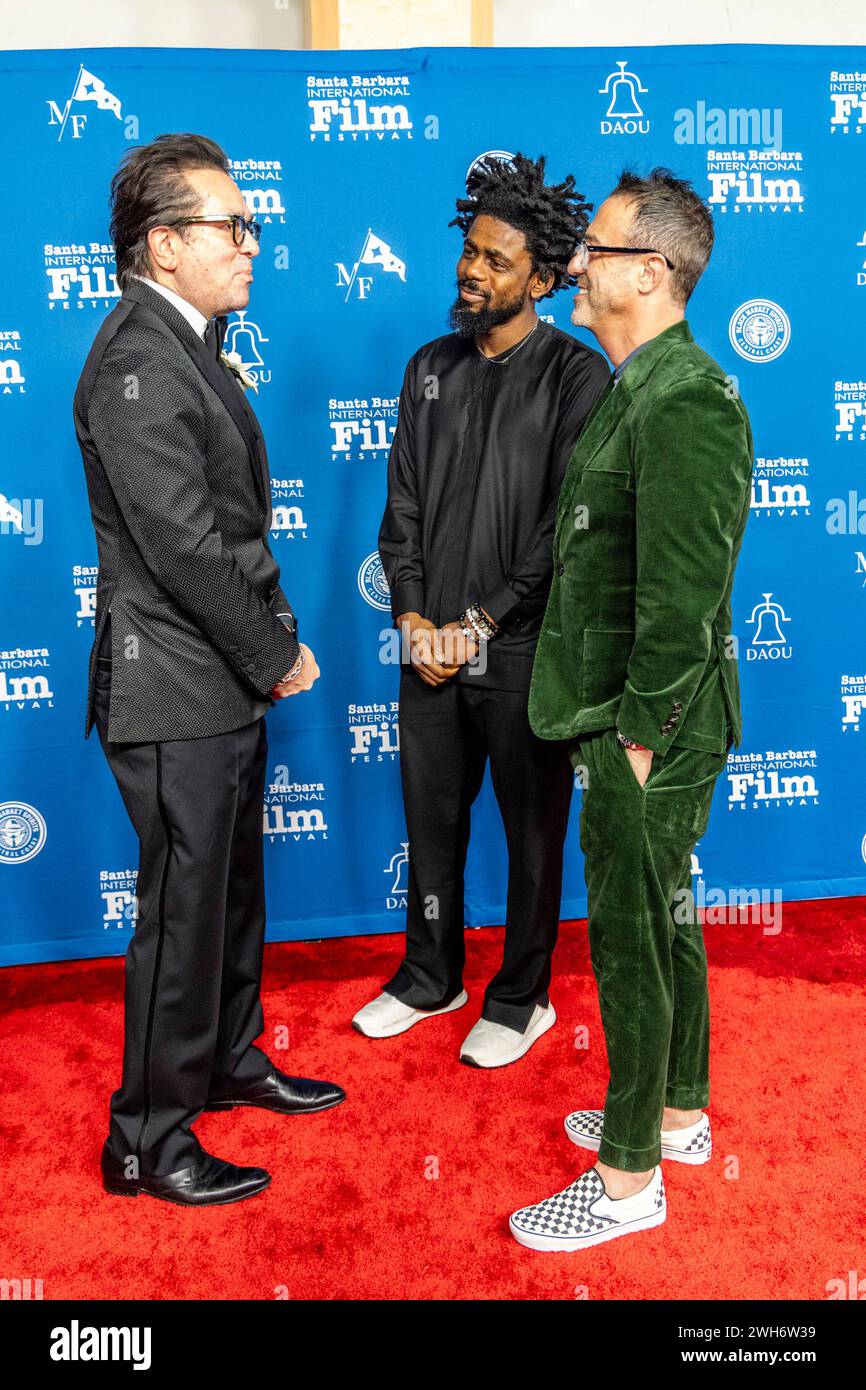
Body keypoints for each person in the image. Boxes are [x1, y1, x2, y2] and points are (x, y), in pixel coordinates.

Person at [74, 133, 344, 1208]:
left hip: (214, 681)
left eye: (249, 225)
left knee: (229, 895)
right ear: (165, 243)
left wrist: (261, 648)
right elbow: (184, 545)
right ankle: (145, 1138)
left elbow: (227, 528)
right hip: (175, 687)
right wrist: (275, 651)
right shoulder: (139, 357)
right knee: (181, 918)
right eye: (233, 227)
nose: (251, 245)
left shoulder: (193, 340)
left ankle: (228, 1059)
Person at [509, 168, 753, 1251]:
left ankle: (625, 1180)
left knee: (627, 937)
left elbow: (682, 601)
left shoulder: (687, 397)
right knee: (662, 914)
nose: (570, 265)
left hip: (648, 721)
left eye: (593, 251)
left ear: (649, 273)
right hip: (627, 712)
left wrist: (640, 737)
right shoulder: (638, 383)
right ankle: (679, 1112)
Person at [352, 154, 610, 1067]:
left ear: (541, 279)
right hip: (428, 648)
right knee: (432, 821)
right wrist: (415, 617)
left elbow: (562, 529)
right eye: (471, 252)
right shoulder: (430, 366)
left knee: (533, 833)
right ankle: (431, 975)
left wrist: (484, 622)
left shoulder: (577, 376)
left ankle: (522, 995)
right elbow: (404, 506)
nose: (474, 271)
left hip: (523, 651)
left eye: (498, 261)